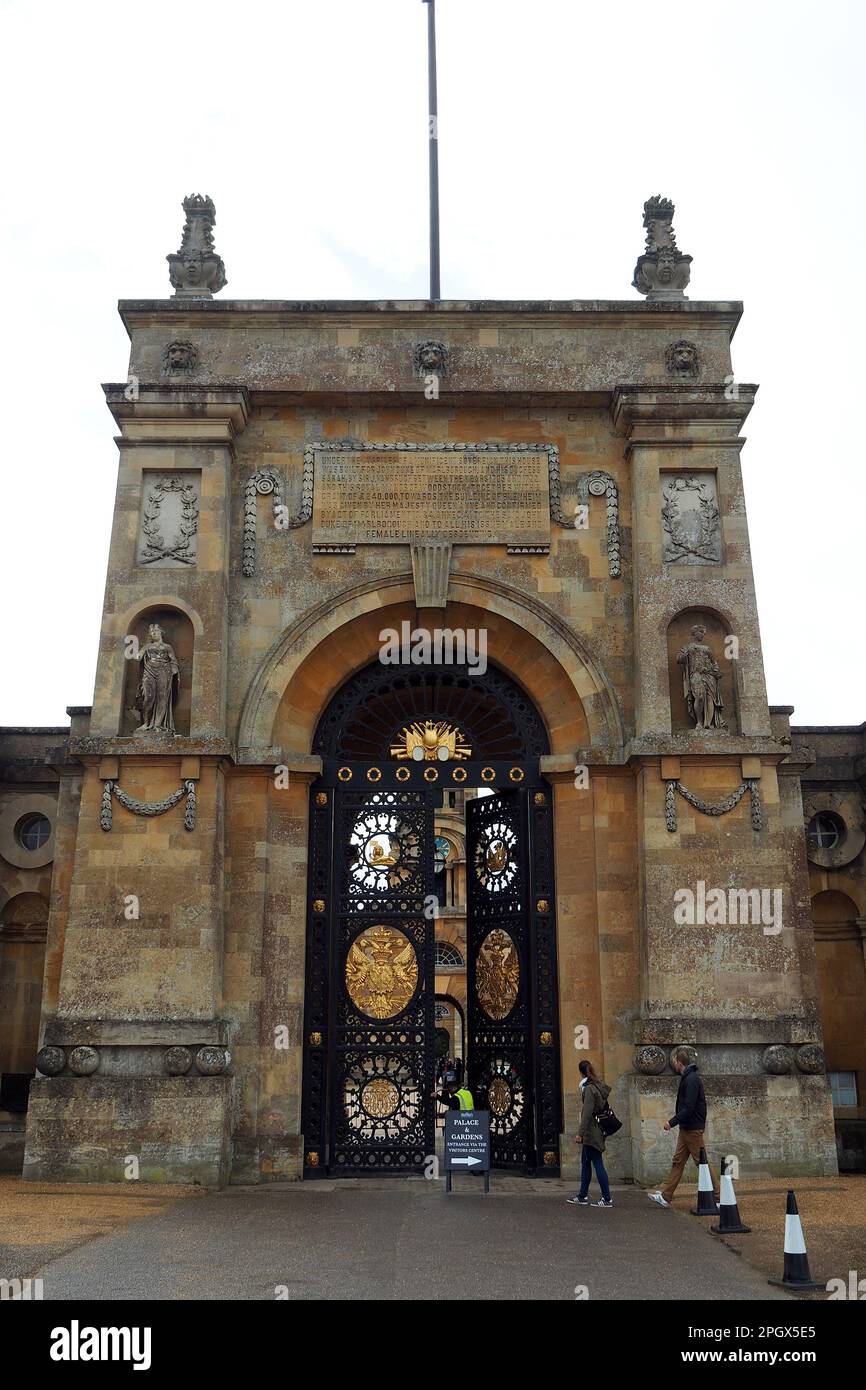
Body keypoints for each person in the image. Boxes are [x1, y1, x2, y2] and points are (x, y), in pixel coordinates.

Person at [647, 1048, 720, 1208]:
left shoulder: (691, 1079)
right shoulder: (689, 1077)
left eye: (674, 1062)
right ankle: (666, 1196)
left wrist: (671, 1122)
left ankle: (719, 1197)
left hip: (692, 1128)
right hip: (687, 1127)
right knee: (678, 1162)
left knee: (702, 1163)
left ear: (679, 1062)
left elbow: (689, 1107)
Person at [566, 1059, 613, 1208]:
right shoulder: (598, 1085)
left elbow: (587, 1113)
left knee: (597, 1163)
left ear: (581, 1072)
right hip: (597, 1129)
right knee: (586, 1163)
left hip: (591, 1131)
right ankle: (582, 1195)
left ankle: (606, 1198)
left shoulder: (589, 1089)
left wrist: (580, 1133)